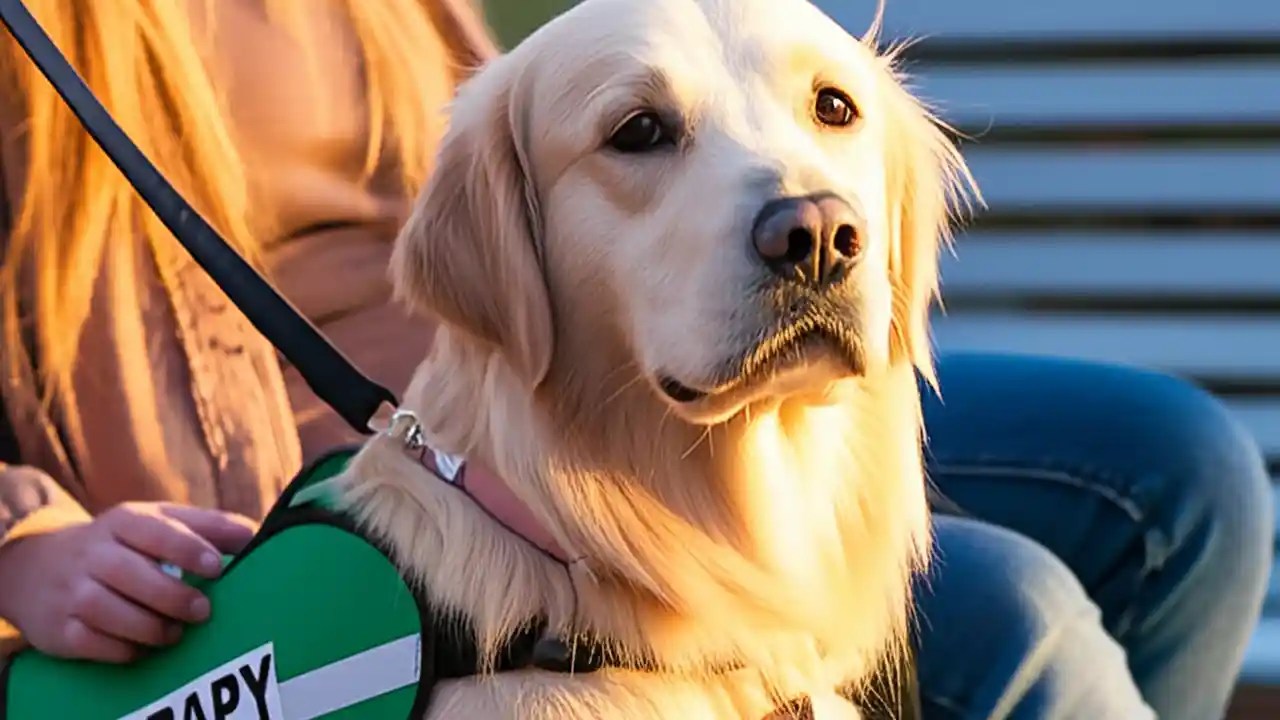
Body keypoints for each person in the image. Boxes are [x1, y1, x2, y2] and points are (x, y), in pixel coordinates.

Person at [0, 2, 1270, 718]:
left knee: (1175, 472)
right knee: (1003, 604)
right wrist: (20, 542)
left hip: (579, 355)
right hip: (347, 486)